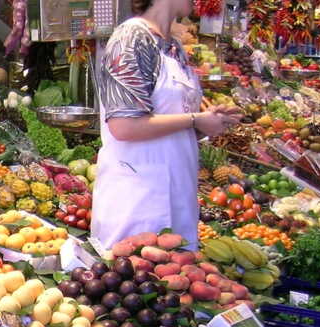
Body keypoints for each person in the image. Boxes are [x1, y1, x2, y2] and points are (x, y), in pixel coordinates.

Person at [92, 0, 240, 249]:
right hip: (139, 201)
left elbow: (170, 118)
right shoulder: (131, 39)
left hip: (177, 193)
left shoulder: (173, 46)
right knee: (137, 281)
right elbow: (124, 126)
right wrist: (195, 119)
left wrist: (206, 123)